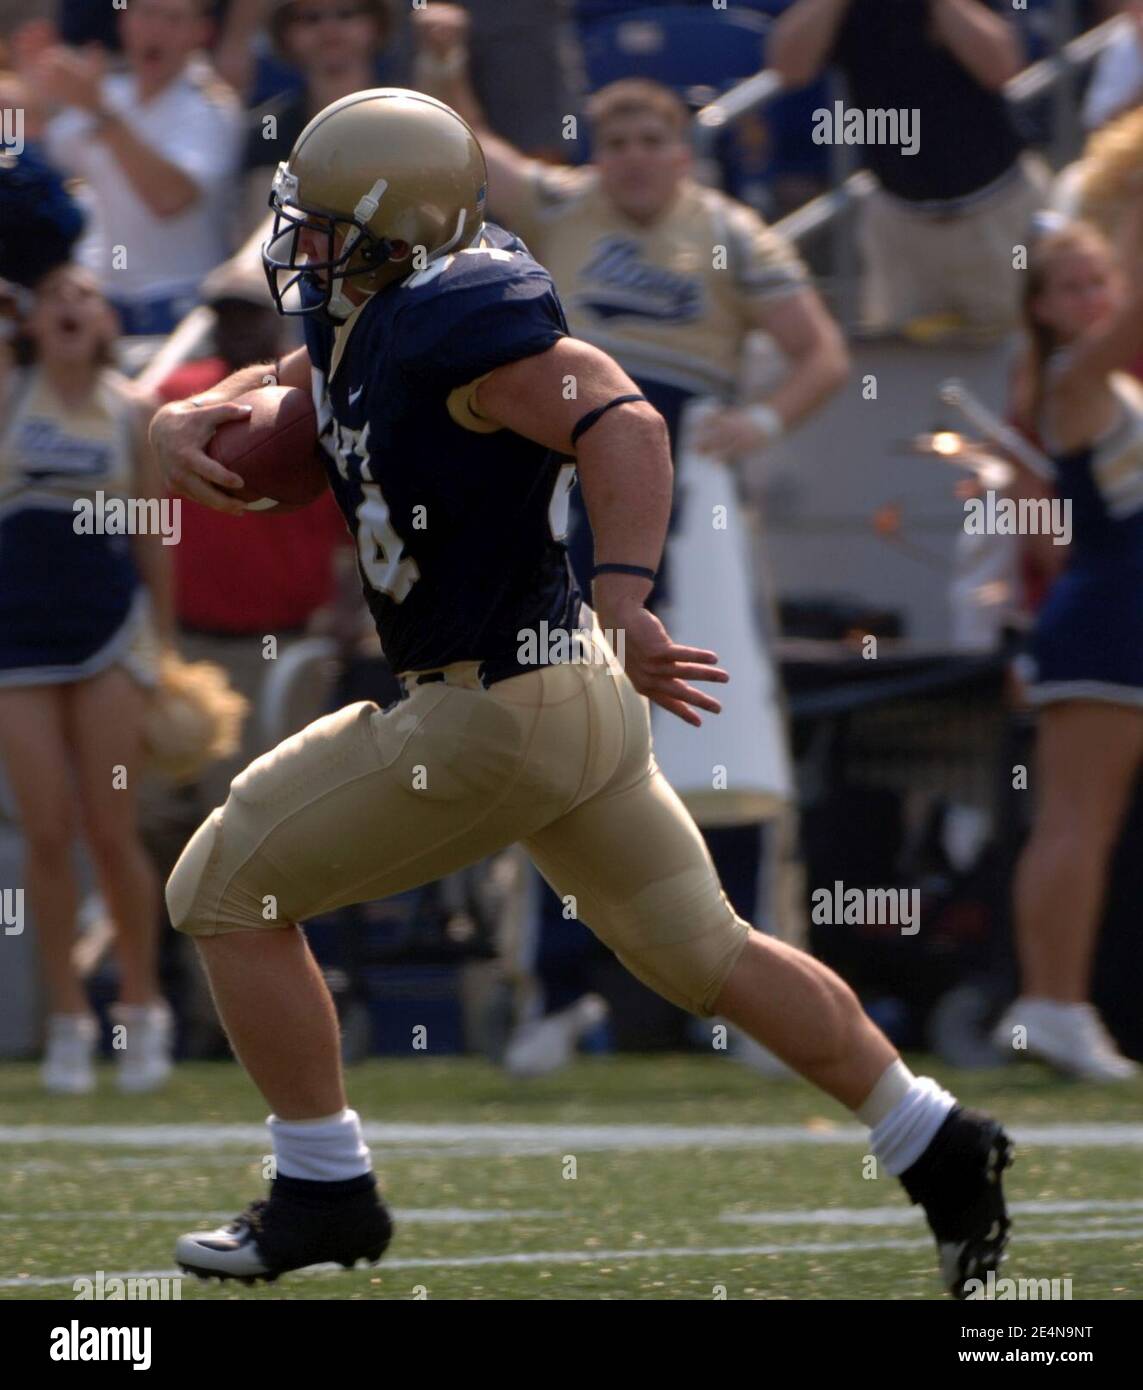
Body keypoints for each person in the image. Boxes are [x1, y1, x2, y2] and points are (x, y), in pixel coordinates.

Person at [150, 89, 1011, 1296]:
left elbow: (624, 420)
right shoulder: (380, 307)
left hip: (494, 704)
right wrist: (190, 410)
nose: (302, 247)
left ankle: (323, 1187)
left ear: (398, 228)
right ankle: (938, 1140)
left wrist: (625, 596)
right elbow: (295, 373)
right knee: (710, 951)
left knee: (224, 887)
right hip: (568, 705)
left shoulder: (465, 318)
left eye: (326, 223)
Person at [414, 9, 845, 967]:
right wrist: (444, 55)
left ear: (685, 152)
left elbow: (820, 353)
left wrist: (762, 419)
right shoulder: (566, 208)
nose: (637, 160)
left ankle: (735, 967)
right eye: (617, 142)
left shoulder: (732, 232)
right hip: (561, 480)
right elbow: (461, 152)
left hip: (693, 499)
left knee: (715, 728)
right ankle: (558, 986)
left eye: (654, 141)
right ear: (597, 151)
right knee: (554, 716)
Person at [0, 264, 174, 1094]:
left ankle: (141, 1006)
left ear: (107, 320)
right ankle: (67, 1015)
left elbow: (153, 540)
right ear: (32, 321)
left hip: (109, 636)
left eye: (86, 295)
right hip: (17, 641)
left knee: (111, 830)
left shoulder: (134, 414)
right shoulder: (8, 395)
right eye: (55, 294)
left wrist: (166, 655)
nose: (71, 304)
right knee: (44, 830)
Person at [992, 207, 1143, 1080]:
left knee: (1089, 821)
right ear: (1042, 308)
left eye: (1100, 281)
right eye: (1071, 286)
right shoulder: (1071, 376)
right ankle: (1051, 1003)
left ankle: (1057, 1003)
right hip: (1106, 612)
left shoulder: (1114, 386)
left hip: (1118, 609)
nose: (1091, 298)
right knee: (1074, 821)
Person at [769, 0, 1044, 340]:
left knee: (1019, 359)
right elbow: (788, 66)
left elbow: (1001, 65)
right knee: (902, 372)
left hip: (999, 213)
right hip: (898, 223)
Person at [30, 0, 242, 336]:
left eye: (172, 19)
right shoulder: (107, 92)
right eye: (146, 14)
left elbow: (168, 199)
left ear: (201, 32)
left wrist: (100, 113)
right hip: (103, 305)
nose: (155, 30)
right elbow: (43, 160)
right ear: (124, 22)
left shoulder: (212, 109)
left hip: (181, 311)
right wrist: (27, 98)